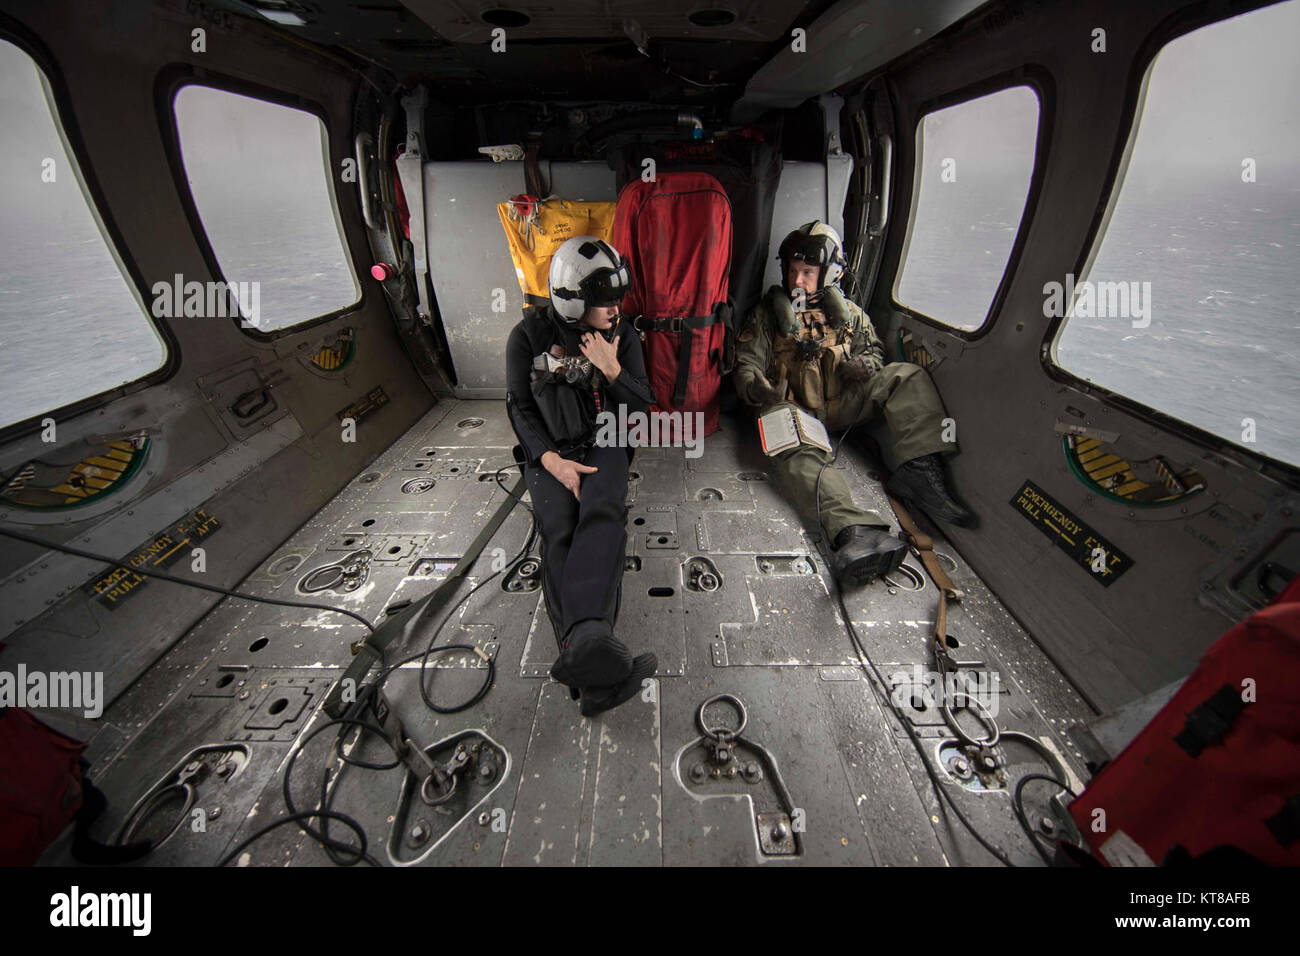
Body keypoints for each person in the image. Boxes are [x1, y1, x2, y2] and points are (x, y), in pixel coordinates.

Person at [732, 221, 975, 587]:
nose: (798, 281)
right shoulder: (766, 316)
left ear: (828, 274)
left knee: (905, 375)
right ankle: (855, 530)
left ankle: (920, 470)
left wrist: (866, 365)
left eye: (808, 273)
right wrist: (761, 390)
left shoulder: (849, 313)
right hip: (795, 411)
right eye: (793, 272)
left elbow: (874, 350)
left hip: (844, 404)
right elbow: (746, 365)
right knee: (777, 422)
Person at [505, 236, 658, 716]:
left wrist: (612, 369)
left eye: (618, 300)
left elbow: (643, 406)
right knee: (559, 528)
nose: (616, 309)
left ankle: (583, 641)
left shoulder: (623, 336)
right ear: (573, 302)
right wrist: (550, 460)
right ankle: (591, 662)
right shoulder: (526, 338)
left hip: (607, 438)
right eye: (604, 302)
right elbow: (519, 407)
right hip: (551, 451)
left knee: (603, 511)